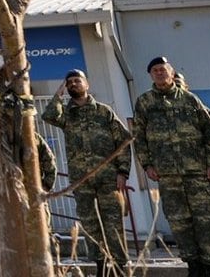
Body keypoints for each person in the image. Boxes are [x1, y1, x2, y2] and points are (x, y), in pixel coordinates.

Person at [132, 57, 210, 277]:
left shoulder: (190, 99)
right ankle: (193, 266)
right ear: (150, 75)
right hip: (167, 175)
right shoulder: (145, 102)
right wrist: (147, 164)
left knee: (205, 220)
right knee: (179, 223)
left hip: (197, 173)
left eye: (163, 69)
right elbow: (139, 137)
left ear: (171, 72)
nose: (160, 73)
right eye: (155, 70)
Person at [42, 69, 133, 277]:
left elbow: (123, 141)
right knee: (90, 224)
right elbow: (48, 116)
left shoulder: (103, 112)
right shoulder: (67, 115)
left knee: (113, 224)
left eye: (77, 80)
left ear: (87, 84)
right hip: (82, 181)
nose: (73, 84)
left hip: (108, 179)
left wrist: (123, 171)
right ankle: (100, 267)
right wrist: (58, 94)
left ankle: (120, 268)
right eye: (69, 82)